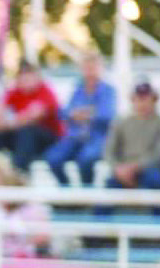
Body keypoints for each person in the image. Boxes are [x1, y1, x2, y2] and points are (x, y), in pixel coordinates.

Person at [47, 53, 116, 187]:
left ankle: (86, 193)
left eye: (92, 68)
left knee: (86, 160)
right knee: (53, 158)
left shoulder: (108, 90)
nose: (89, 72)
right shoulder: (77, 89)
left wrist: (86, 115)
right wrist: (74, 114)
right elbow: (63, 112)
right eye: (86, 68)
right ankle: (67, 192)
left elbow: (108, 115)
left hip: (97, 139)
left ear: (100, 69)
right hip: (75, 138)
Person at [104, 81, 160, 189]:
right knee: (108, 192)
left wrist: (136, 167)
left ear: (154, 100)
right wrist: (118, 168)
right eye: (138, 98)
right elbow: (109, 150)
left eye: (146, 98)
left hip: (151, 169)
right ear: (133, 100)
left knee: (156, 182)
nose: (142, 103)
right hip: (124, 169)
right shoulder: (121, 121)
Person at [0, 61, 61, 172]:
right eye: (22, 79)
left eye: (27, 79)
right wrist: (12, 122)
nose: (24, 82)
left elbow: (33, 116)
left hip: (49, 140)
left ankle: (19, 173)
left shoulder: (45, 91)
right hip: (22, 135)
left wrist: (9, 122)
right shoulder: (14, 92)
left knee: (27, 132)